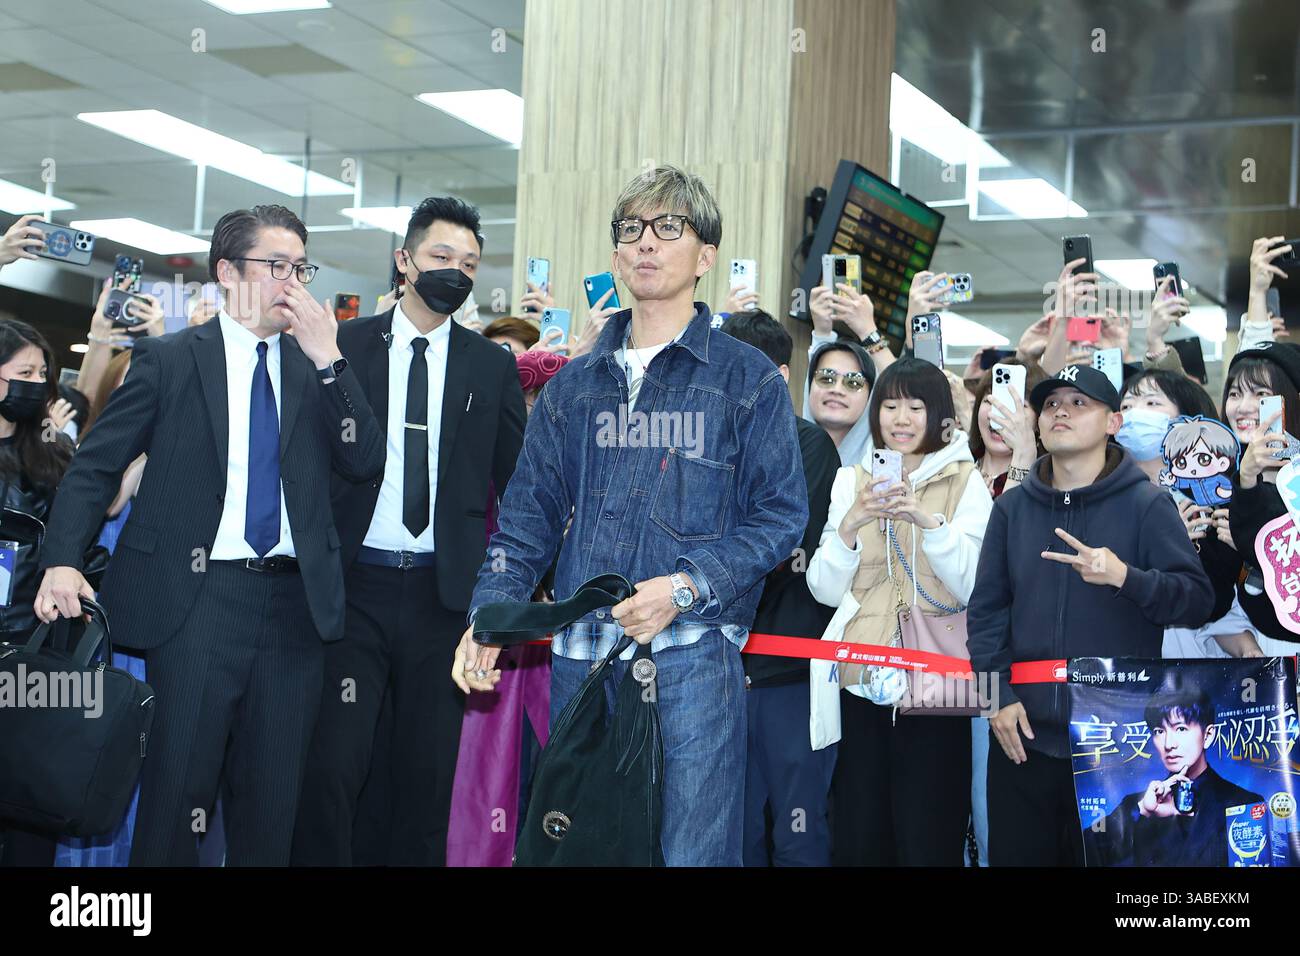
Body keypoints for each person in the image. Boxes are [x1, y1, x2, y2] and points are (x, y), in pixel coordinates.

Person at [452, 164, 807, 866]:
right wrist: (492, 616)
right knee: (580, 851)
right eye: (631, 230)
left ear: (705, 255)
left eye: (667, 228)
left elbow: (780, 517)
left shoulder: (747, 380)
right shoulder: (573, 387)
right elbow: (525, 519)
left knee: (690, 855)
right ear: (617, 253)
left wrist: (682, 587)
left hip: (693, 663)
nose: (646, 243)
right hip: (580, 665)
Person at [34, 204, 385, 866]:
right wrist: (60, 560)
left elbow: (364, 459)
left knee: (271, 811)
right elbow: (95, 468)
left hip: (294, 613)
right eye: (275, 266)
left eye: (300, 268)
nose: (292, 283)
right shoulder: (169, 360)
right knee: (174, 803)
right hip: (196, 603)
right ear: (228, 272)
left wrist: (332, 361)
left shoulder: (319, 368)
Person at [292, 197, 525, 867]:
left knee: (426, 776)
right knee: (335, 767)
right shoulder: (345, 346)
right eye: (440, 258)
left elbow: (518, 483)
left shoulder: (490, 366)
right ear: (404, 260)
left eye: (469, 264)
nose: (454, 272)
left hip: (441, 597)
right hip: (353, 588)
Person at [967, 364, 1215, 866]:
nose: (1061, 411)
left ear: (1113, 423)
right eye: (1053, 403)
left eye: (1080, 403)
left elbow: (1196, 599)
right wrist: (996, 699)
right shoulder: (1012, 509)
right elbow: (987, 612)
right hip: (1022, 739)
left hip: (1116, 748)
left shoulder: (1147, 505)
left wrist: (1127, 577)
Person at [806, 357, 993, 866]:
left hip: (939, 682)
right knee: (861, 832)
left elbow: (976, 584)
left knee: (928, 830)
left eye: (916, 407)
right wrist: (851, 524)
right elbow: (823, 588)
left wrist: (926, 523)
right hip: (863, 679)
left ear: (940, 417)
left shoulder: (965, 481)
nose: (902, 419)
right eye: (890, 406)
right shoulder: (850, 481)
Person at [719, 310, 840, 867]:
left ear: (783, 376)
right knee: (726, 832)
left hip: (788, 671)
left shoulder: (809, 445)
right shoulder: (701, 442)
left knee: (797, 831)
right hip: (712, 670)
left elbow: (781, 547)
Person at [446, 348, 563, 867]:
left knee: (556, 776)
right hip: (498, 642)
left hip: (567, 648)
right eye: (528, 399)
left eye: (546, 400)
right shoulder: (489, 467)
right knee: (495, 774)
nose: (536, 411)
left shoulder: (581, 464)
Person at [1114, 370, 1258, 660]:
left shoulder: (1213, 504)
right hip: (1118, 663)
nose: (1134, 414)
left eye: (1152, 404)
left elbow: (1216, 604)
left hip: (1191, 670)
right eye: (1126, 406)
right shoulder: (1101, 495)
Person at [0, 319, 75, 866]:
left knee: (27, 814)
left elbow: (82, 544)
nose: (35, 382)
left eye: (41, 374)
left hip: (31, 661)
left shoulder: (52, 454)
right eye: (23, 372)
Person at [1086, 683, 1264, 867]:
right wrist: (1143, 811)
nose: (1169, 743)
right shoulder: (1136, 805)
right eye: (1159, 731)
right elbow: (1088, 852)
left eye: (1180, 729)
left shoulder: (1244, 803)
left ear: (1208, 735)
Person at [1225, 341, 1300, 649]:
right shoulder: (1217, 477)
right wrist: (1246, 478)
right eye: (1234, 393)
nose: (1243, 406)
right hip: (1255, 650)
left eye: (1261, 395)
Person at [805, 341, 876, 466]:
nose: (837, 390)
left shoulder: (877, 469)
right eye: (826, 378)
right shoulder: (780, 448)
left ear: (870, 396)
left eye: (853, 382)